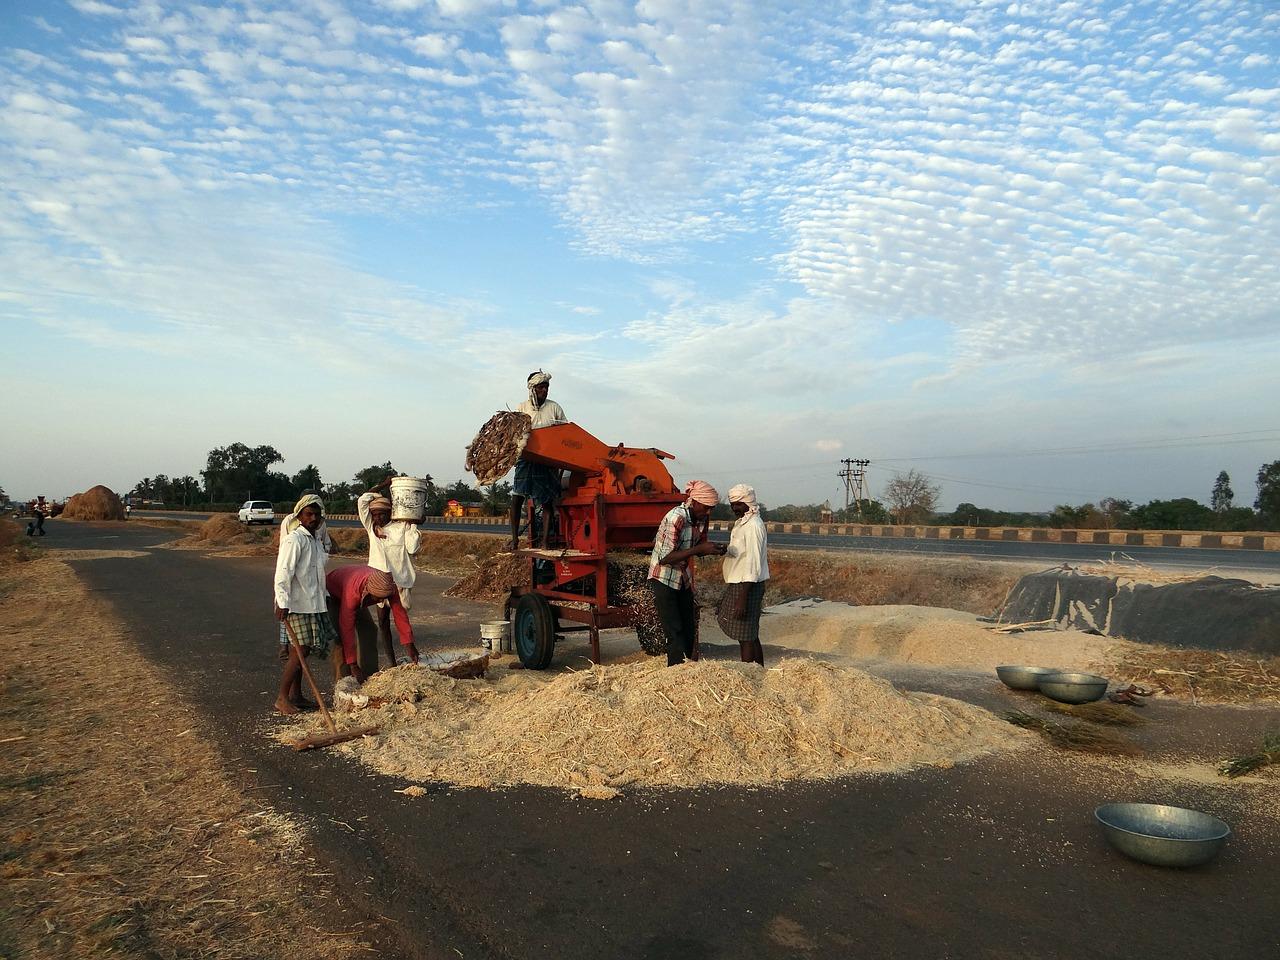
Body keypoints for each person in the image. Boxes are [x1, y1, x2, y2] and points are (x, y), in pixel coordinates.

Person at [647, 480, 726, 666]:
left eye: (711, 508)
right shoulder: (676, 518)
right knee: (674, 632)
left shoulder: (701, 519)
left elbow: (698, 546)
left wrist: (712, 549)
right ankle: (676, 672)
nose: (708, 512)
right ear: (695, 502)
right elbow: (665, 557)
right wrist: (698, 550)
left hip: (683, 578)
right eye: (706, 507)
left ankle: (686, 668)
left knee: (689, 630)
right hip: (663, 578)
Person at [272, 496, 336, 715]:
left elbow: (317, 573)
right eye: (308, 514)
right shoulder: (294, 540)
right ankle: (282, 698)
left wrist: (324, 594)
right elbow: (283, 573)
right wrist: (282, 602)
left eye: (316, 514)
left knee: (299, 652)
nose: (313, 518)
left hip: (313, 602)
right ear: (299, 516)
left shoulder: (315, 541)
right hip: (296, 604)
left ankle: (296, 695)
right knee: (300, 650)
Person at [326, 564, 419, 683]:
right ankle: (344, 681)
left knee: (369, 630)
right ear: (369, 592)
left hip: (358, 590)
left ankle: (369, 676)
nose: (381, 601)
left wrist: (409, 644)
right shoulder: (353, 592)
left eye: (384, 598)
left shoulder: (389, 586)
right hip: (333, 593)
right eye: (378, 598)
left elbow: (400, 614)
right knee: (341, 638)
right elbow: (347, 628)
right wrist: (353, 664)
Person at [510, 370, 567, 550]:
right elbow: (514, 435)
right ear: (532, 389)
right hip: (526, 459)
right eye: (541, 387)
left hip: (547, 460)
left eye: (546, 387)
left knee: (547, 501)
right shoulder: (522, 408)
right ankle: (514, 540)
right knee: (517, 497)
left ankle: (545, 542)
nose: (545, 390)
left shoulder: (554, 408)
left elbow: (565, 433)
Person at [716, 484, 769, 665]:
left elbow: (753, 562)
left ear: (748, 502)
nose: (734, 508)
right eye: (732, 504)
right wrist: (725, 550)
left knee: (746, 635)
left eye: (738, 504)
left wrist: (742, 598)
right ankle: (758, 670)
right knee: (748, 634)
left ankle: (748, 672)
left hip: (748, 584)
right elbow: (742, 552)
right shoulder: (743, 523)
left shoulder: (754, 525)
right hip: (740, 582)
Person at [357, 476, 421, 610]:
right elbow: (362, 500)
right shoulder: (372, 528)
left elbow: (413, 548)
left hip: (401, 581)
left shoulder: (402, 526)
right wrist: (384, 484)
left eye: (381, 514)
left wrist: (413, 525)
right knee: (382, 619)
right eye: (374, 515)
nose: (377, 518)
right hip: (379, 580)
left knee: (401, 617)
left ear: (389, 513)